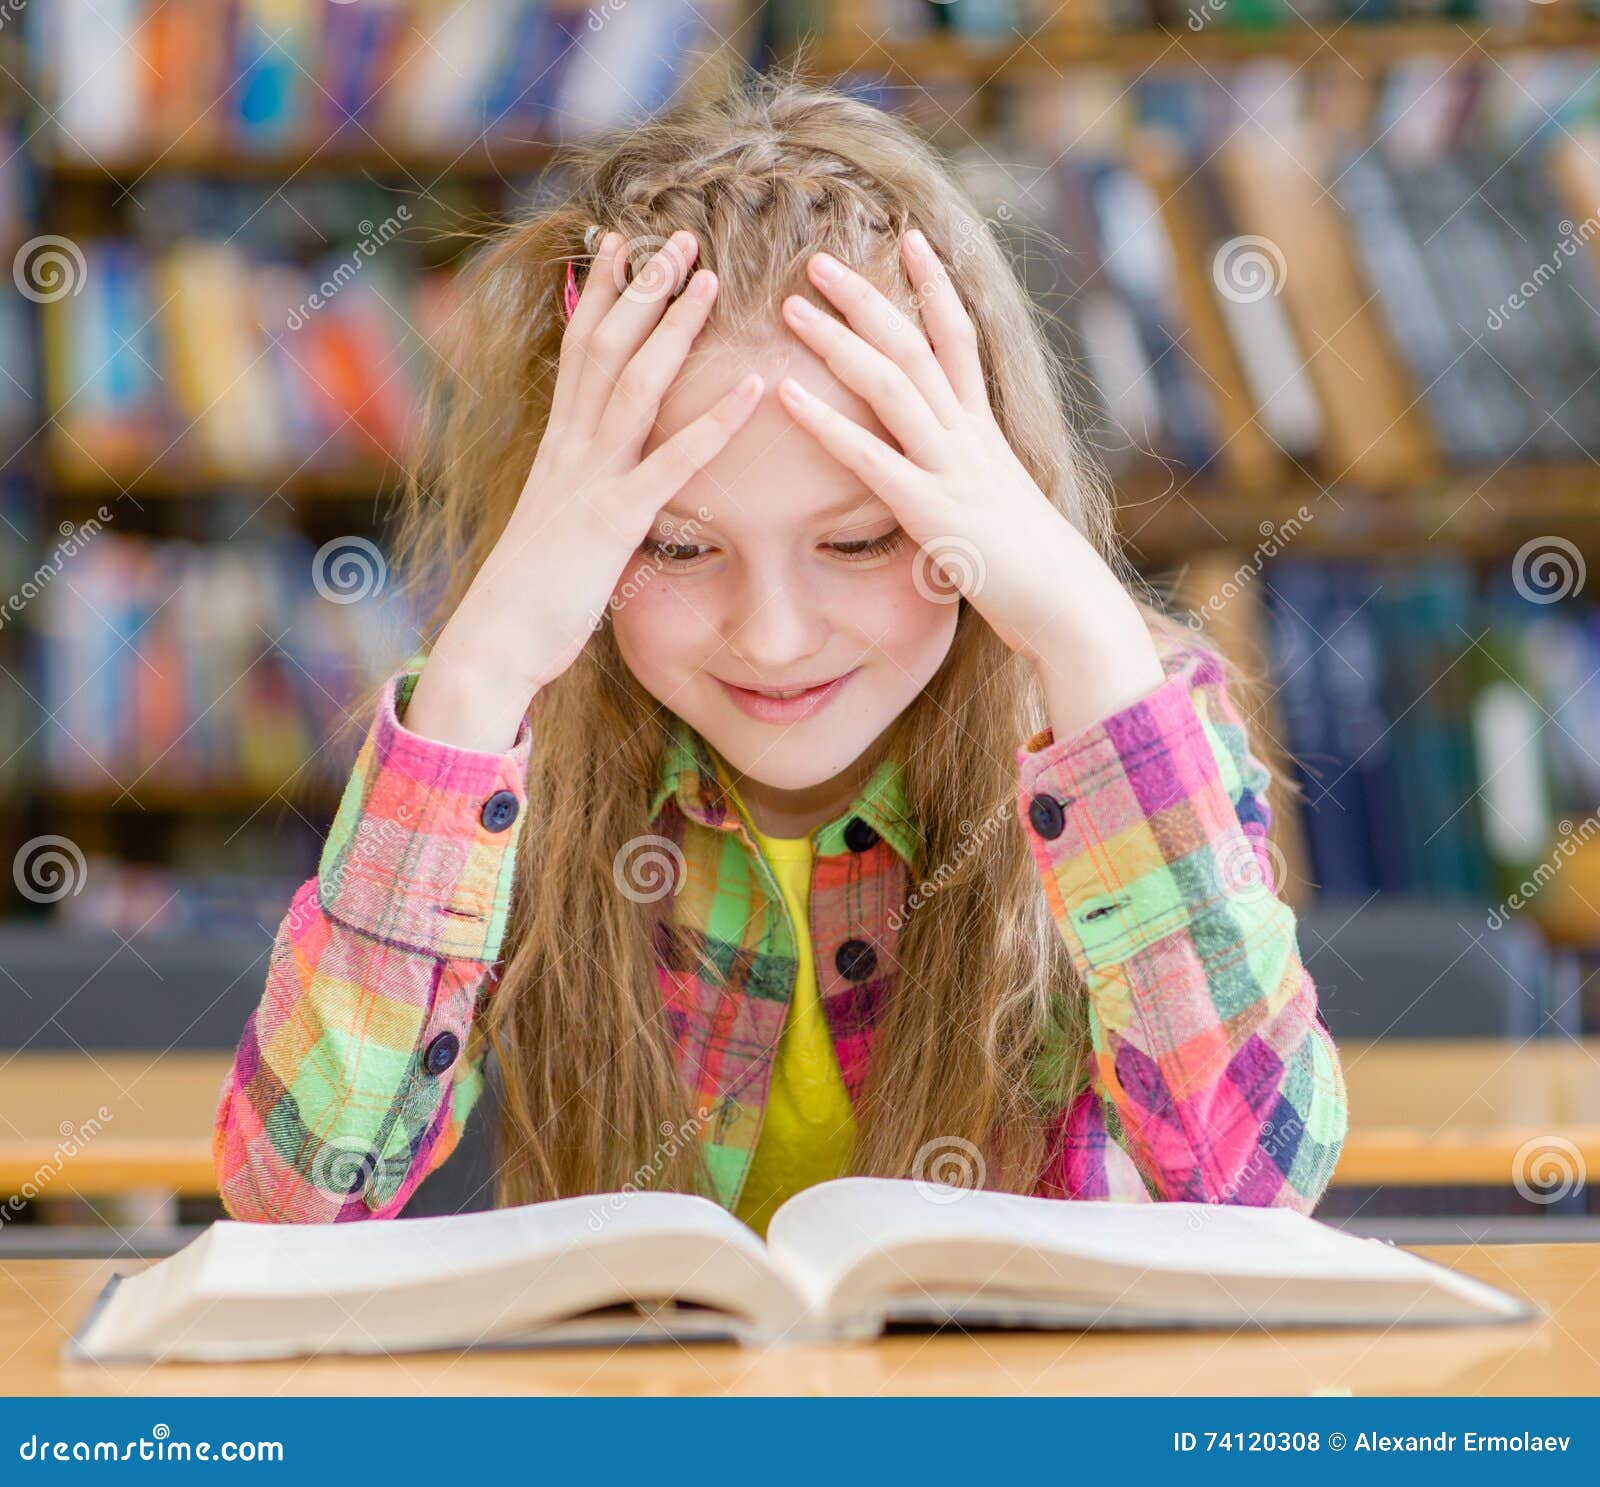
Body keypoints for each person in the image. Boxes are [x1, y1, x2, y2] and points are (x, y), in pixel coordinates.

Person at [213, 76, 1347, 1235]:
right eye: (680, 544)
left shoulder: (1133, 713)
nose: (773, 635)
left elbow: (1253, 1186)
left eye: (857, 540)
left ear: (991, 503)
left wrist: (1088, 644)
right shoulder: (501, 752)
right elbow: (295, 1199)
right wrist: (476, 675)